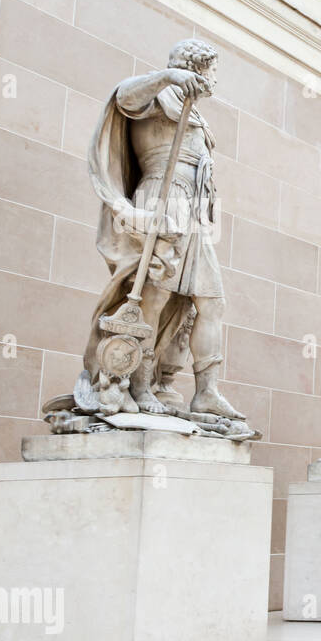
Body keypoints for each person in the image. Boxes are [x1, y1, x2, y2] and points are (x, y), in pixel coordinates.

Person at [83, 37, 241, 418]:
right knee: (154, 298)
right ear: (197, 68)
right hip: (162, 198)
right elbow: (124, 98)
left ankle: (206, 391)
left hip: (194, 213)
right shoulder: (162, 96)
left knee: (210, 301)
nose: (214, 78)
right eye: (213, 69)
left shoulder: (197, 115)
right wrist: (169, 76)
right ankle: (139, 384)